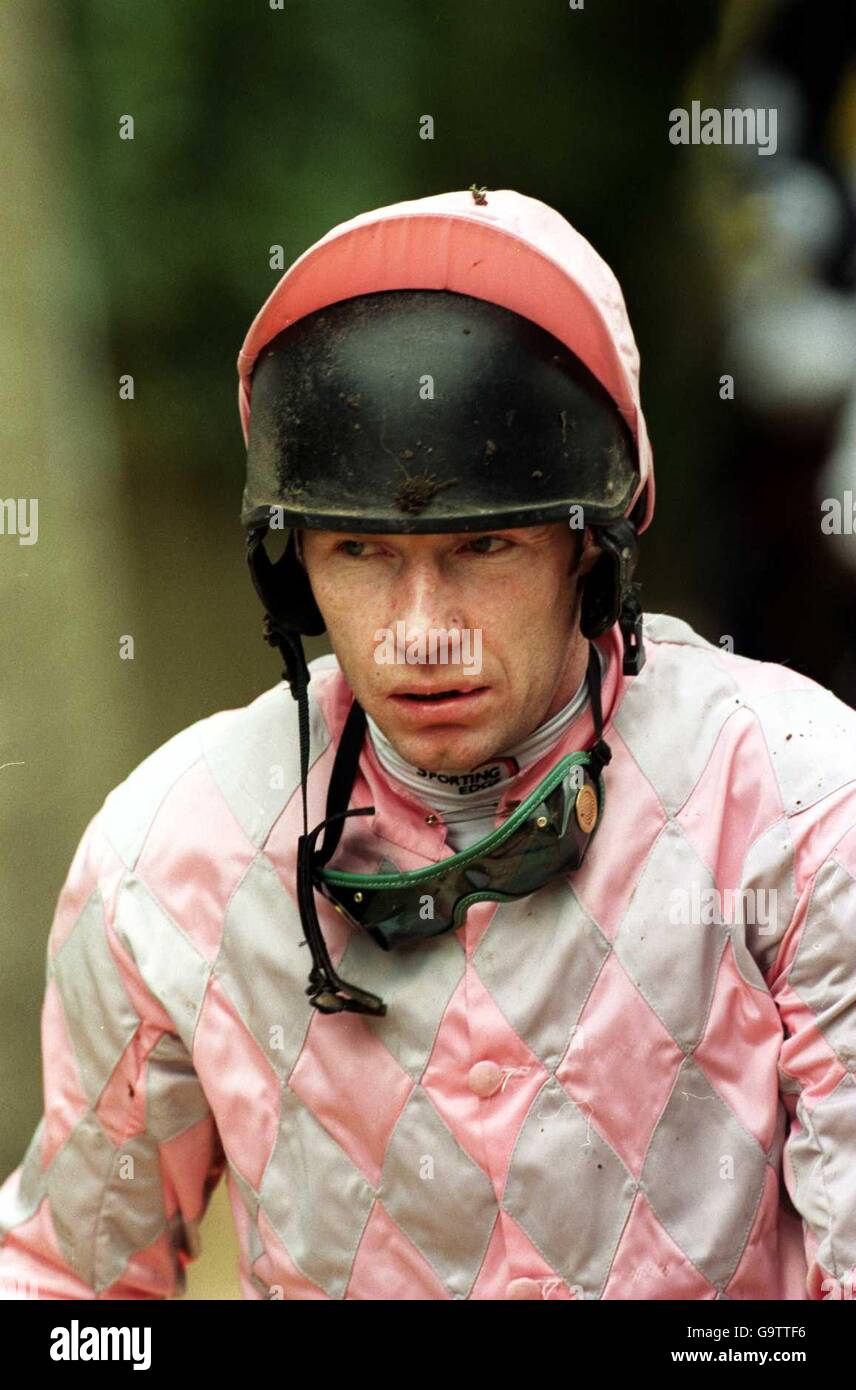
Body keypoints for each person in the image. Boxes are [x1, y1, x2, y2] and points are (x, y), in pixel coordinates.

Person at [1, 188, 854, 1301]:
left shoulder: (800, 802)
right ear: (290, 566)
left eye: (483, 544)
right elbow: (67, 1289)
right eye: (358, 550)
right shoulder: (168, 854)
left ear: (587, 550)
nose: (419, 630)